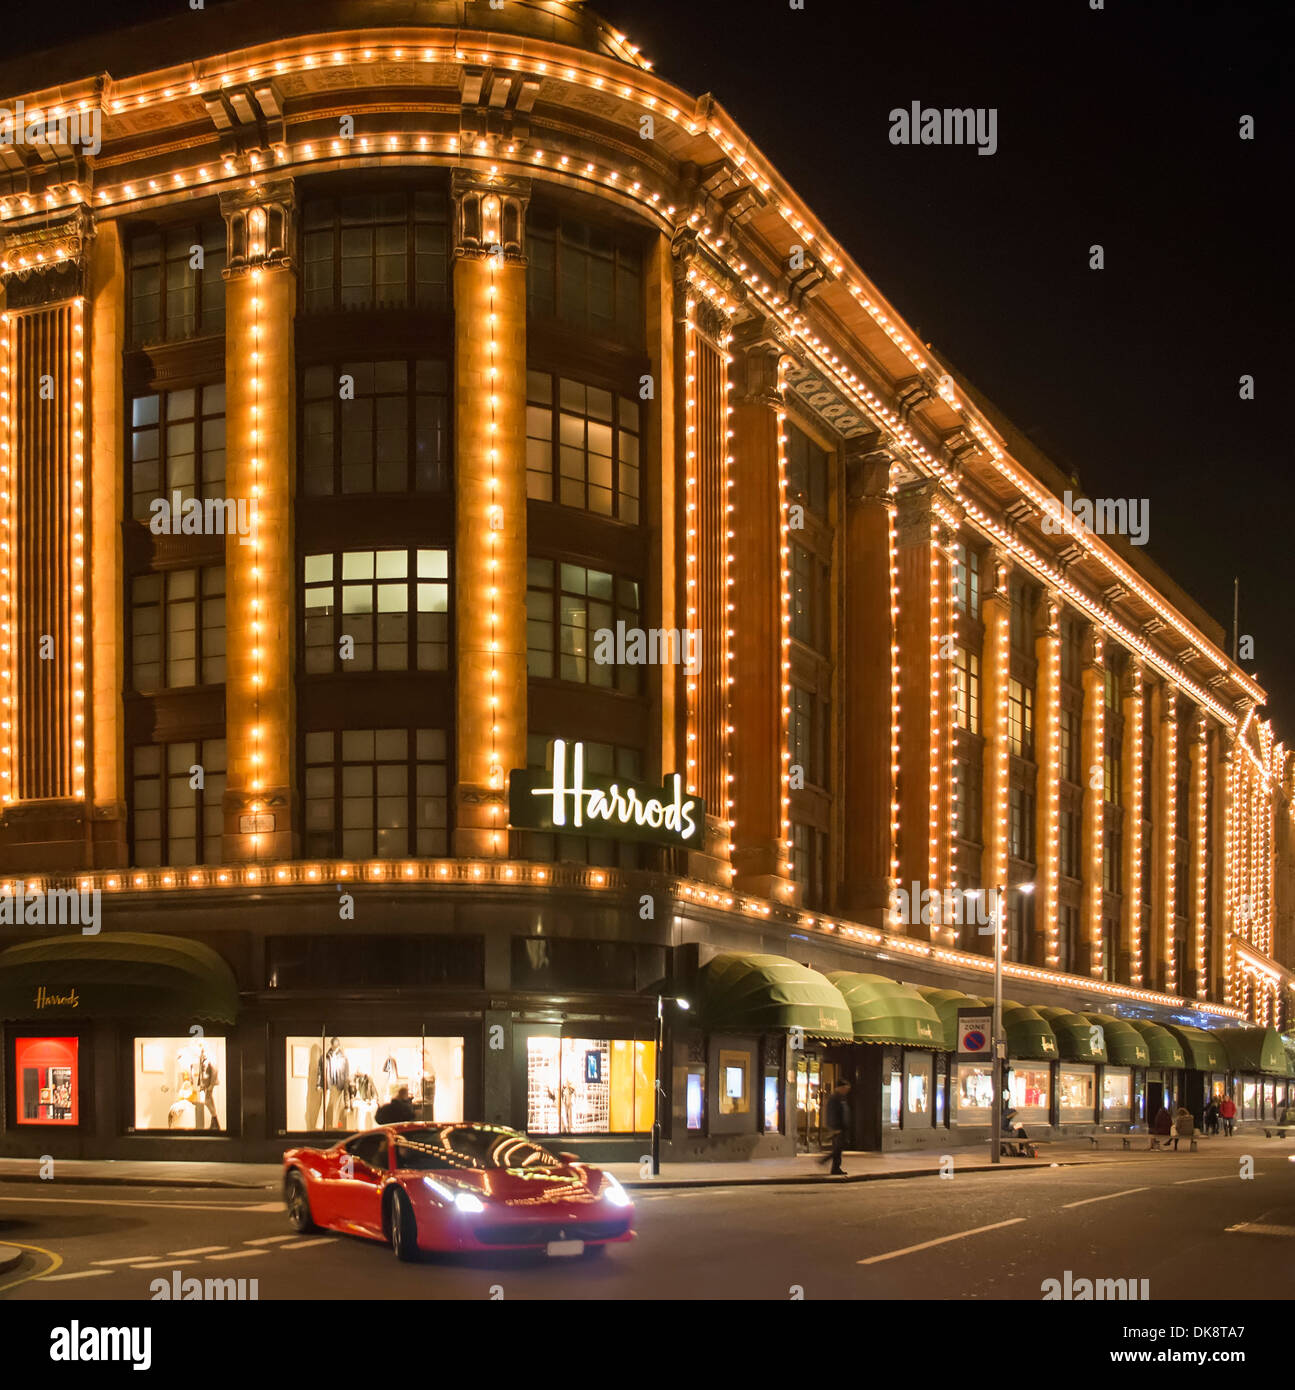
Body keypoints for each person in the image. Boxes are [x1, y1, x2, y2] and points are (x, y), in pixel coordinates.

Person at [818, 1078, 851, 1176]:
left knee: (839, 1148)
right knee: (838, 1148)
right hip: (838, 1128)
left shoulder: (841, 1098)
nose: (847, 1090)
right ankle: (827, 1162)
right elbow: (831, 1114)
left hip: (842, 1127)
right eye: (845, 1088)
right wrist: (835, 1128)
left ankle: (835, 1167)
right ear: (840, 1088)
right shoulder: (834, 1098)